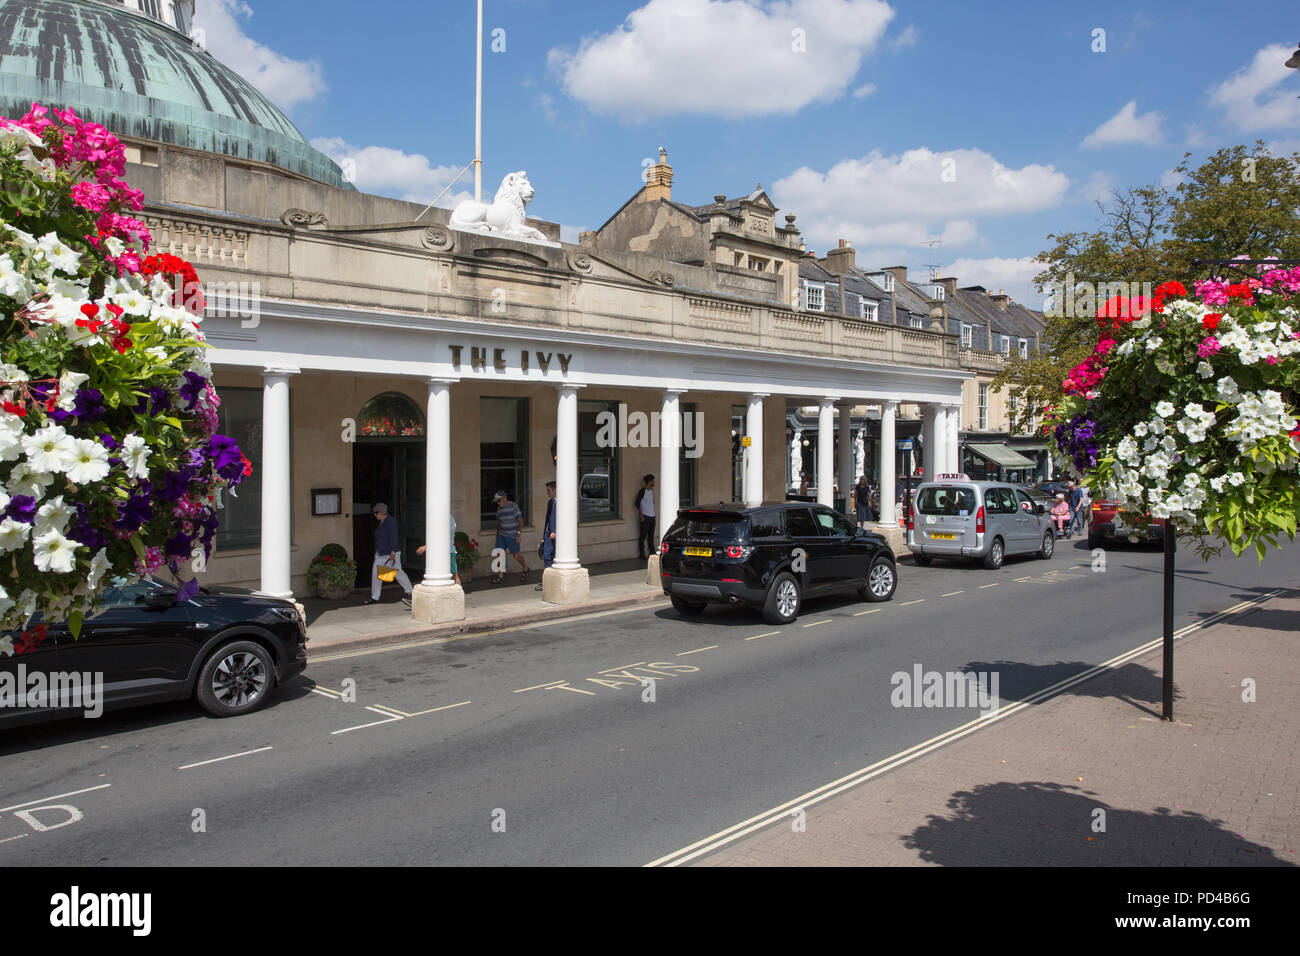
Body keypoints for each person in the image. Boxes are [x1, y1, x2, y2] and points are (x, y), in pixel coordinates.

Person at [365, 502, 413, 605]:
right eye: (374, 512)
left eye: (376, 512)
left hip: (390, 553)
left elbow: (393, 537)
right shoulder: (381, 522)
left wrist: (393, 552)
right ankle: (374, 596)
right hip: (380, 552)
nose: (375, 514)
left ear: (382, 513)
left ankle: (410, 591)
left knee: (398, 572)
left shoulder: (390, 522)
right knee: (376, 573)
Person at [415, 512, 461, 589]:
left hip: (447, 552)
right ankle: (423, 597)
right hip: (442, 552)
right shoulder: (450, 518)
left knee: (454, 576)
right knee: (428, 574)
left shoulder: (446, 519)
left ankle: (458, 596)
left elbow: (442, 537)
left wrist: (425, 547)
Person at [491, 490, 528, 584]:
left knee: (516, 555)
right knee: (499, 554)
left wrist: (518, 534)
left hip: (512, 535)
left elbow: (520, 521)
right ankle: (500, 575)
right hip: (501, 535)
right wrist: (497, 534)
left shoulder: (513, 506)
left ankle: (525, 567)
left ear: (505, 498)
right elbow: (499, 522)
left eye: (499, 501)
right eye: (497, 501)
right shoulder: (499, 509)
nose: (498, 503)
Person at [536, 480, 557, 590]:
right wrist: (544, 537)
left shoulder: (562, 502)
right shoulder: (550, 502)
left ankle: (553, 582)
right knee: (547, 557)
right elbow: (547, 521)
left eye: (549, 490)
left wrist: (556, 531)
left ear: (555, 490)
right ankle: (548, 583)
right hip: (549, 536)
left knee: (557, 558)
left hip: (557, 535)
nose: (547, 493)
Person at [634, 474, 656, 560]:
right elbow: (636, 503)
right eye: (653, 481)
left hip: (652, 517)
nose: (654, 482)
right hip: (645, 517)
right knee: (643, 536)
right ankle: (642, 554)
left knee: (651, 536)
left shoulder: (652, 491)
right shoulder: (642, 491)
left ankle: (652, 552)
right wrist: (641, 515)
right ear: (649, 481)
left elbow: (652, 502)